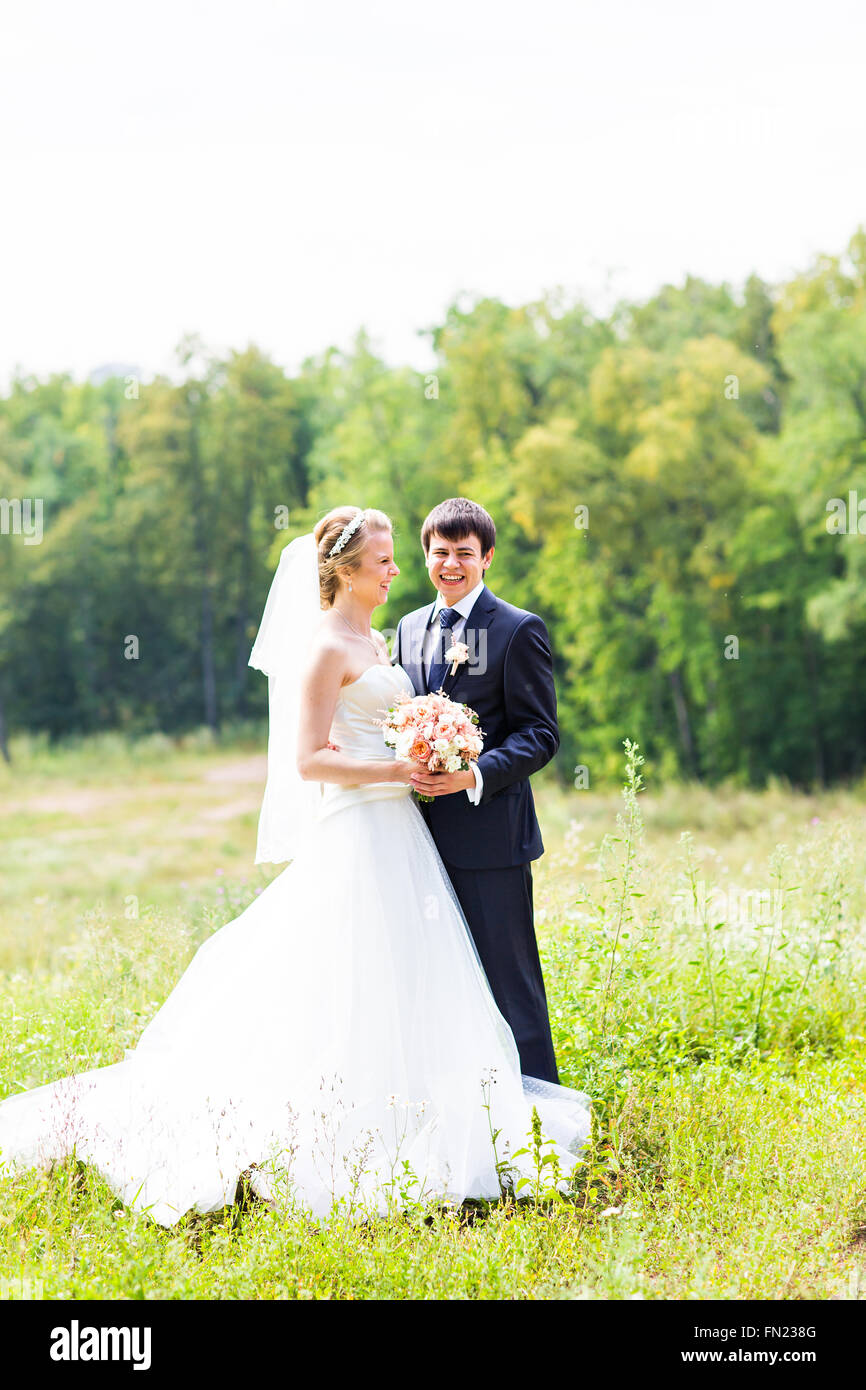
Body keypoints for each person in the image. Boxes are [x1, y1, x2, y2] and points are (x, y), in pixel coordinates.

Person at [0, 506, 590, 1227]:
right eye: (392, 558)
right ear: (347, 569)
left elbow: (534, 731)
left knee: (460, 978)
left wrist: (451, 766)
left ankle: (506, 1118)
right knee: (361, 980)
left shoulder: (395, 636)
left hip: (437, 832)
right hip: (374, 827)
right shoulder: (343, 644)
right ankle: (356, 1129)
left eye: (447, 552)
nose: (408, 568)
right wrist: (400, 768)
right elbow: (310, 757)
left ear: (485, 557)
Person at [395, 498, 562, 1083]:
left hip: (492, 840)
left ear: (486, 557)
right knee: (436, 982)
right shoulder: (409, 628)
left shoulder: (518, 629)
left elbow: (541, 734)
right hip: (415, 842)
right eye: (440, 553)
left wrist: (472, 775)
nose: (451, 564)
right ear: (426, 557)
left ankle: (542, 1125)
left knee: (510, 987)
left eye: (464, 553)